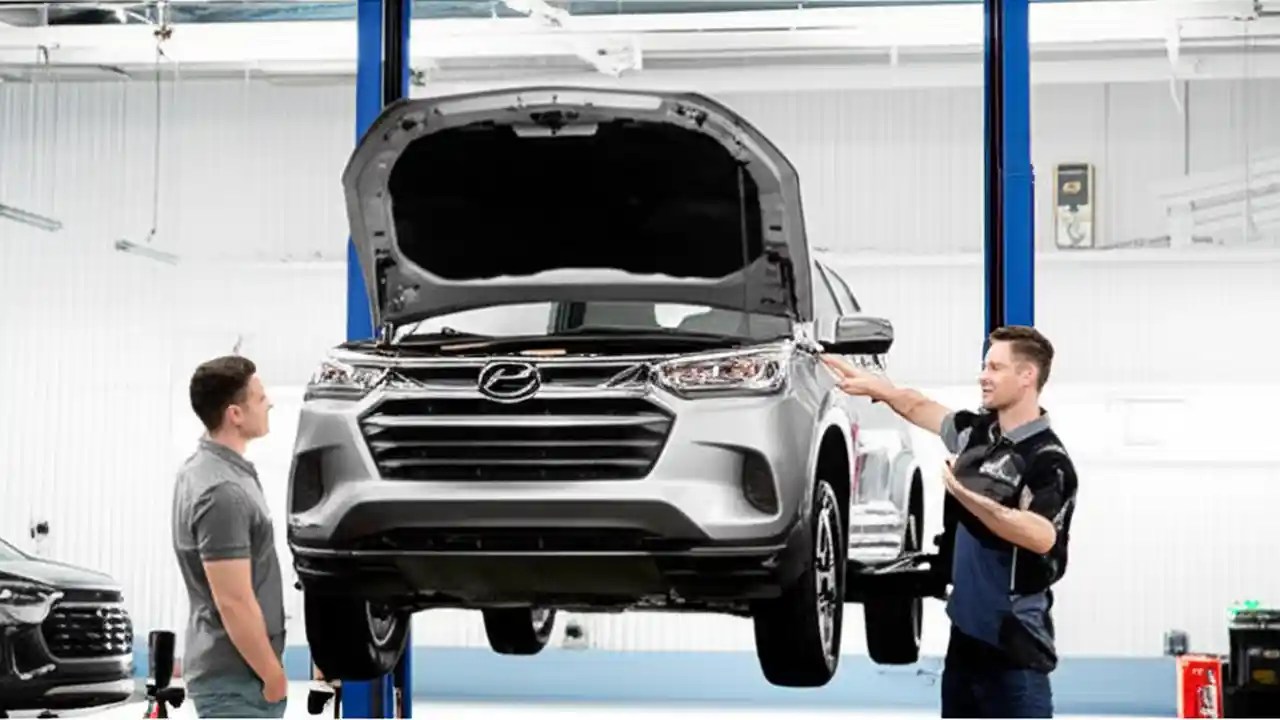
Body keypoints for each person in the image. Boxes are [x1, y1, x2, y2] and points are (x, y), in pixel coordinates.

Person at [823, 325, 1077, 718]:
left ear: (1027, 376)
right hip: (965, 644)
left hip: (1013, 651)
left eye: (995, 367)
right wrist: (876, 386)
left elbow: (1042, 536)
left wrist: (971, 501)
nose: (983, 376)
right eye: (984, 366)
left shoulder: (1047, 461)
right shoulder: (979, 434)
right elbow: (920, 407)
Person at [171, 355, 289, 718]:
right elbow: (233, 601)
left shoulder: (206, 470)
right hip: (238, 683)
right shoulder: (222, 490)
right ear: (235, 414)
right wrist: (273, 676)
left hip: (234, 678)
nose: (269, 403)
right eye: (259, 397)